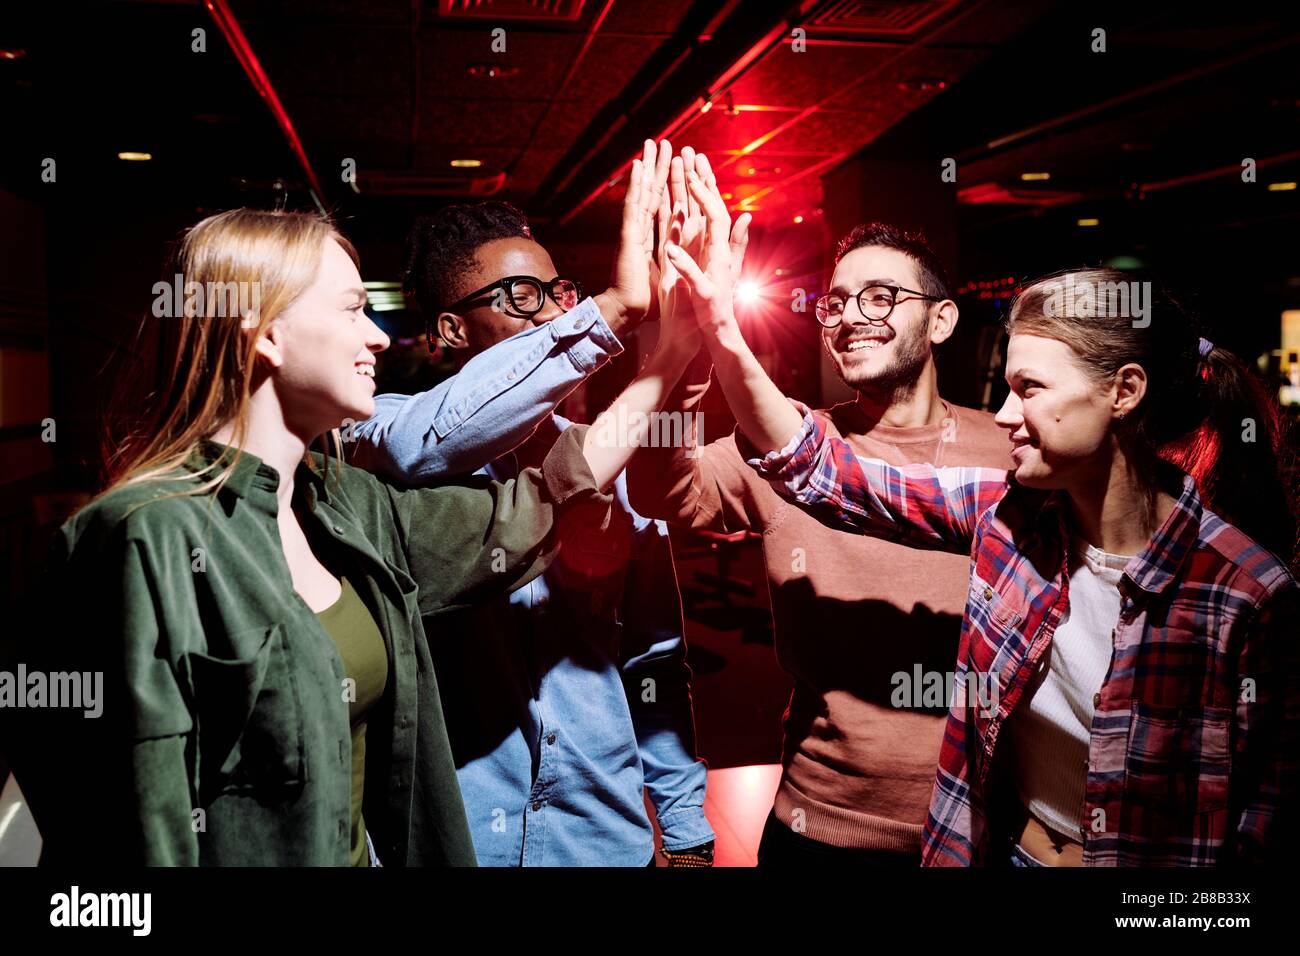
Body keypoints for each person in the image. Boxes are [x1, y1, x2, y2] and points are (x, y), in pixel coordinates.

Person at [2, 174, 696, 865]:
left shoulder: (340, 503)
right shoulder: (137, 536)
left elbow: (535, 505)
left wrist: (671, 353)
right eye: (352, 309)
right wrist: (615, 310)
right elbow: (114, 825)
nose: (380, 337)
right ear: (266, 331)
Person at [661, 171, 1299, 866]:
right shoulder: (1008, 514)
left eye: (1029, 389)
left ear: (1124, 392)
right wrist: (714, 330)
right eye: (1004, 387)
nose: (1003, 414)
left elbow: (1262, 829)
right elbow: (818, 468)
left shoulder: (1246, 594)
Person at [349, 140, 717, 866]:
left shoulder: (609, 455)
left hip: (603, 842)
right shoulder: (383, 430)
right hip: (464, 843)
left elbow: (653, 659)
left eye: (558, 293)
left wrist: (687, 827)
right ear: (451, 330)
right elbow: (421, 442)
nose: (551, 315)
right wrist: (614, 313)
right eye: (520, 298)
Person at [628, 206, 1011, 865]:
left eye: (881, 296)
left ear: (941, 320)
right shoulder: (786, 444)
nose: (853, 315)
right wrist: (684, 347)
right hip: (820, 829)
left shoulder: (1011, 452)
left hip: (984, 823)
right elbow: (657, 490)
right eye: (836, 303)